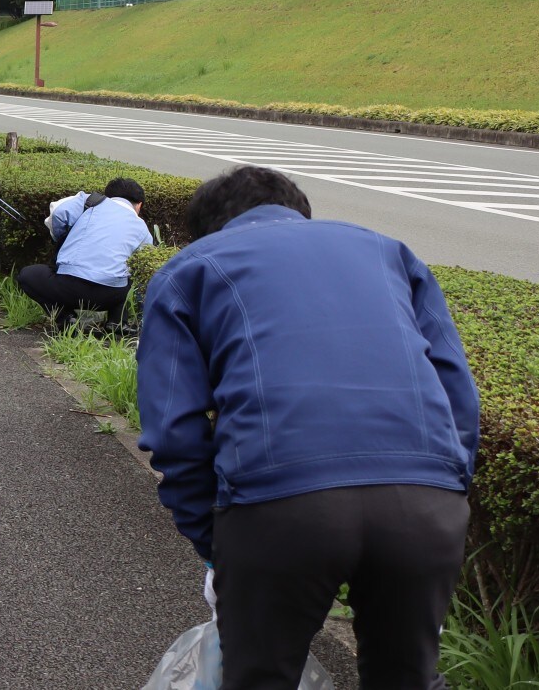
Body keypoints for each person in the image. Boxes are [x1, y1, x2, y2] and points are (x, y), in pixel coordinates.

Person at [136, 166, 479, 689]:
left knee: (262, 677)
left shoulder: (190, 269)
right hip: (425, 503)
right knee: (408, 679)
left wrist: (216, 541)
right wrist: (446, 488)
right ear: (300, 213)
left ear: (209, 229)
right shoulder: (391, 253)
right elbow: (458, 396)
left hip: (279, 503)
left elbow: (172, 431)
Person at [14, 177, 151, 334]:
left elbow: (59, 213)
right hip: (111, 295)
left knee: (27, 275)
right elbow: (143, 266)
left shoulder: (92, 201)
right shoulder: (142, 228)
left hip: (69, 288)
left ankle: (66, 319)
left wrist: (62, 238)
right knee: (128, 271)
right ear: (139, 204)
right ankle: (117, 321)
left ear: (108, 195)